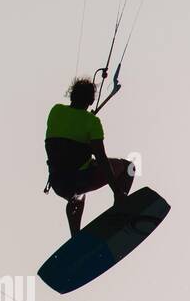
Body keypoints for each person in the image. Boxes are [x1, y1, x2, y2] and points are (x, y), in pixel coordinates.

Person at [44, 77, 133, 235]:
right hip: (79, 179)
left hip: (58, 183)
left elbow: (67, 137)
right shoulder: (92, 123)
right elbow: (101, 159)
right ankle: (120, 210)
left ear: (71, 95)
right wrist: (117, 192)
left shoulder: (55, 111)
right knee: (128, 168)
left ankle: (75, 238)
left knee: (77, 197)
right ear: (91, 100)